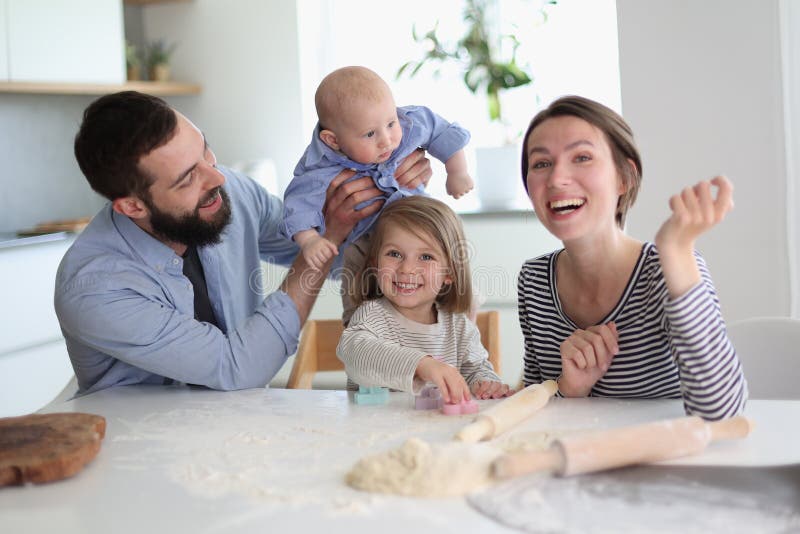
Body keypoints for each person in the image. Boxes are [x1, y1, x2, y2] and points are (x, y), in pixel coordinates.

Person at [55, 91, 431, 396]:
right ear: (132, 206)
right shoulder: (95, 287)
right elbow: (237, 367)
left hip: (236, 431)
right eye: (188, 178)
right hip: (137, 456)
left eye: (205, 151)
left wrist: (388, 187)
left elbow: (336, 261)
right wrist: (328, 235)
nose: (216, 177)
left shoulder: (231, 193)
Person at [516, 95, 747, 420]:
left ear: (624, 177)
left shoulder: (669, 268)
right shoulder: (534, 279)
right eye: (541, 163)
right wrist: (570, 390)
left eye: (582, 157)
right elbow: (533, 414)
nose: (556, 179)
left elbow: (724, 413)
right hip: (578, 464)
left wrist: (676, 252)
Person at [280, 66, 473, 324]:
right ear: (333, 141)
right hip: (364, 240)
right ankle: (358, 330)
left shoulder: (408, 123)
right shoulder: (318, 168)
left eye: (391, 123)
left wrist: (456, 171)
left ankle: (458, 326)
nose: (387, 140)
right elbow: (297, 205)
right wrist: (310, 240)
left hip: (418, 227)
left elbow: (440, 130)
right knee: (359, 292)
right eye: (370, 134)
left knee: (450, 269)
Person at [337, 196, 511, 404]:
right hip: (375, 432)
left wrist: (486, 384)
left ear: (450, 273)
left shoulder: (459, 326)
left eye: (426, 257)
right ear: (375, 264)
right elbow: (356, 354)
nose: (407, 269)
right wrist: (421, 365)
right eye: (394, 254)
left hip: (437, 432)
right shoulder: (371, 316)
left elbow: (476, 370)